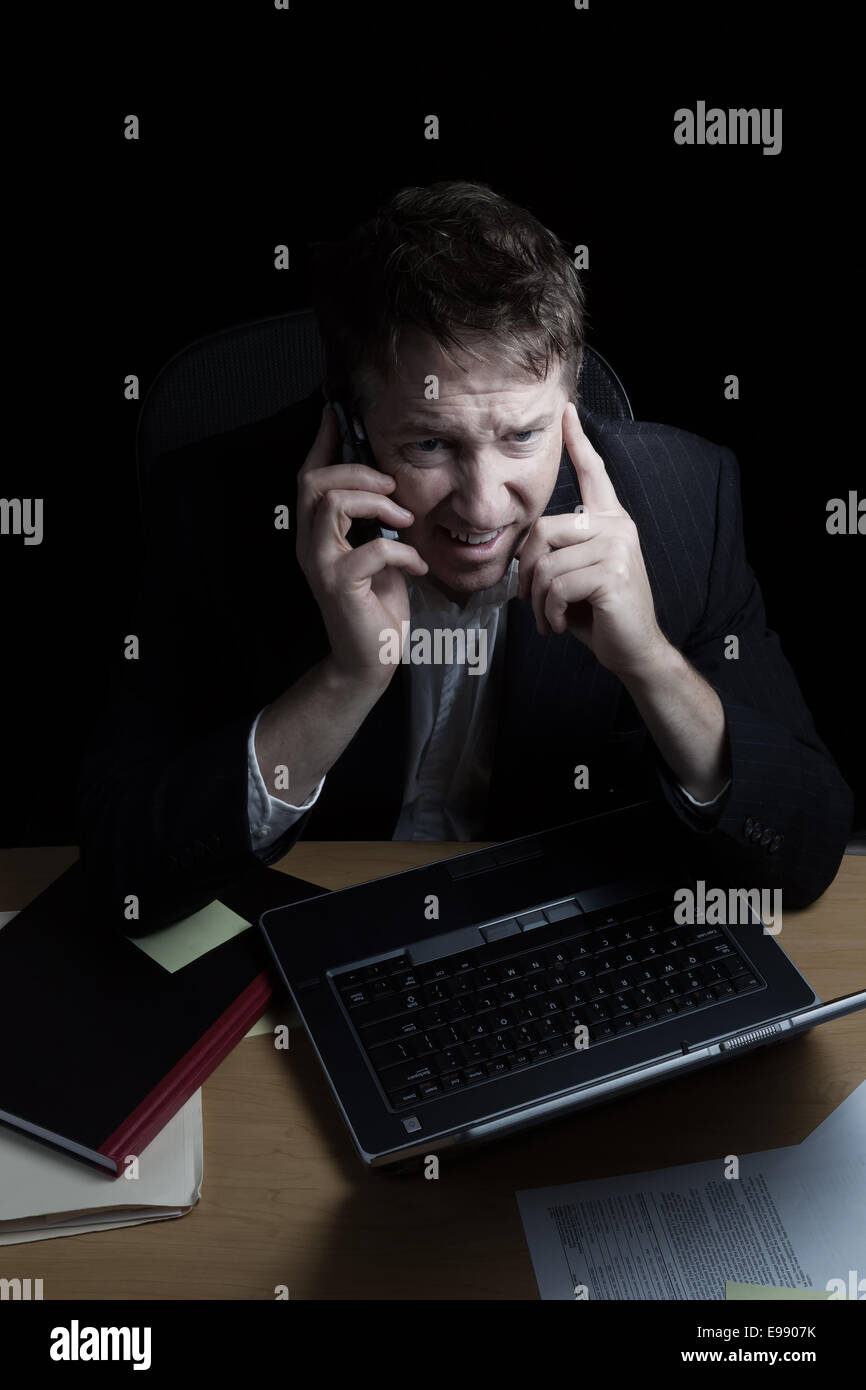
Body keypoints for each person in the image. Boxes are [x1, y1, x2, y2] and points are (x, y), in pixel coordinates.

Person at [76, 181, 853, 934]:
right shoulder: (218, 509)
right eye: (430, 443)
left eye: (521, 436)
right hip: (315, 944)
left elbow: (805, 851)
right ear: (348, 423)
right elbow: (123, 873)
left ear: (571, 396)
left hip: (551, 953)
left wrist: (649, 663)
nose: (483, 507)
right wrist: (344, 681)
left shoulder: (685, 506)